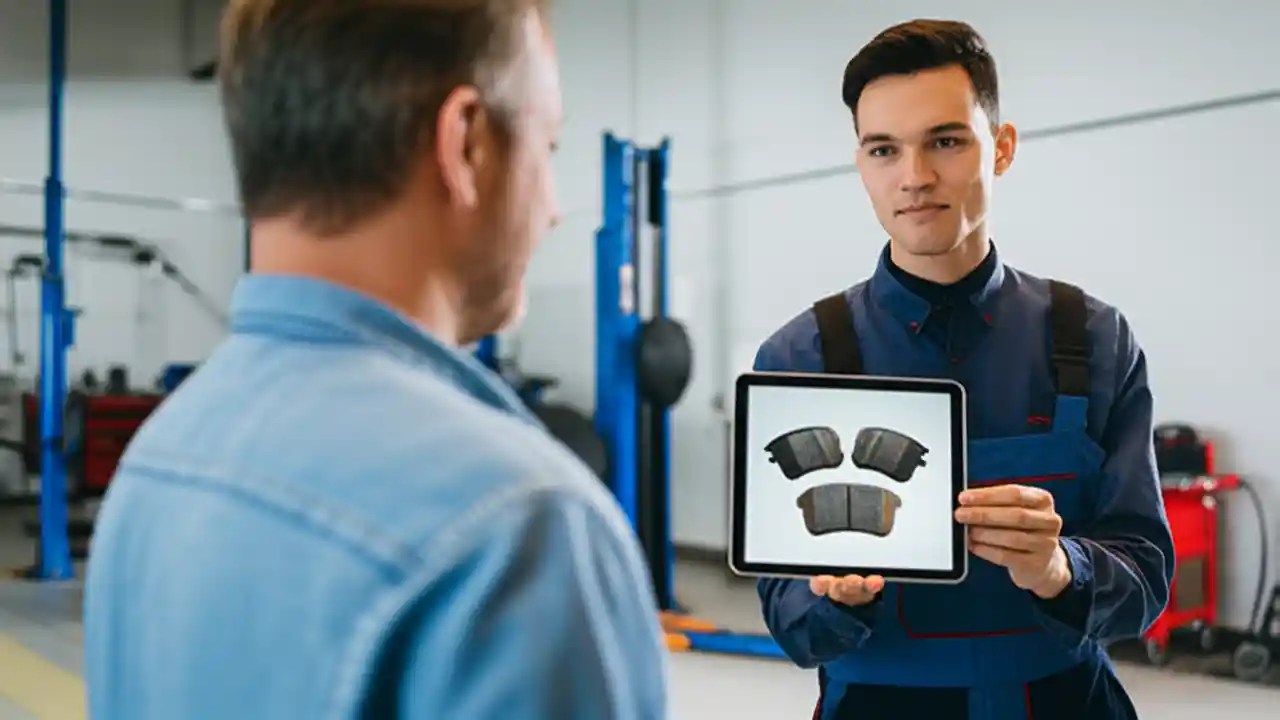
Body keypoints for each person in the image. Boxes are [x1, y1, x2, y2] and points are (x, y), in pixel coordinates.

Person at [83, 2, 668, 718]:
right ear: (466, 143)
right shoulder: (519, 527)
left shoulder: (160, 456)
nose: (551, 208)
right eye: (548, 149)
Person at [753, 19, 1174, 720]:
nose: (914, 177)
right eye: (884, 149)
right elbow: (788, 618)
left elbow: (1147, 577)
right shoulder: (803, 358)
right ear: (861, 164)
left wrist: (1061, 568)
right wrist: (832, 601)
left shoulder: (1095, 340)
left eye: (946, 141)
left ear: (1001, 148)